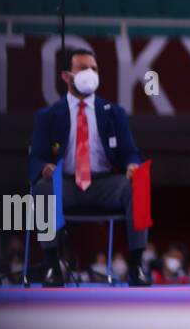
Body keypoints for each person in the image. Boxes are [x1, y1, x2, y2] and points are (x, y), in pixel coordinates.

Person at [28, 48, 152, 287]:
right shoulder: (49, 115)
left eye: (94, 69)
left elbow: (130, 152)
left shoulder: (114, 113)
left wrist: (132, 165)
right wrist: (44, 168)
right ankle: (52, 266)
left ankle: (136, 265)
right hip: (65, 184)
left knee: (140, 181)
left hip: (104, 184)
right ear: (66, 76)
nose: (90, 73)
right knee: (43, 188)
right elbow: (37, 158)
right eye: (83, 68)